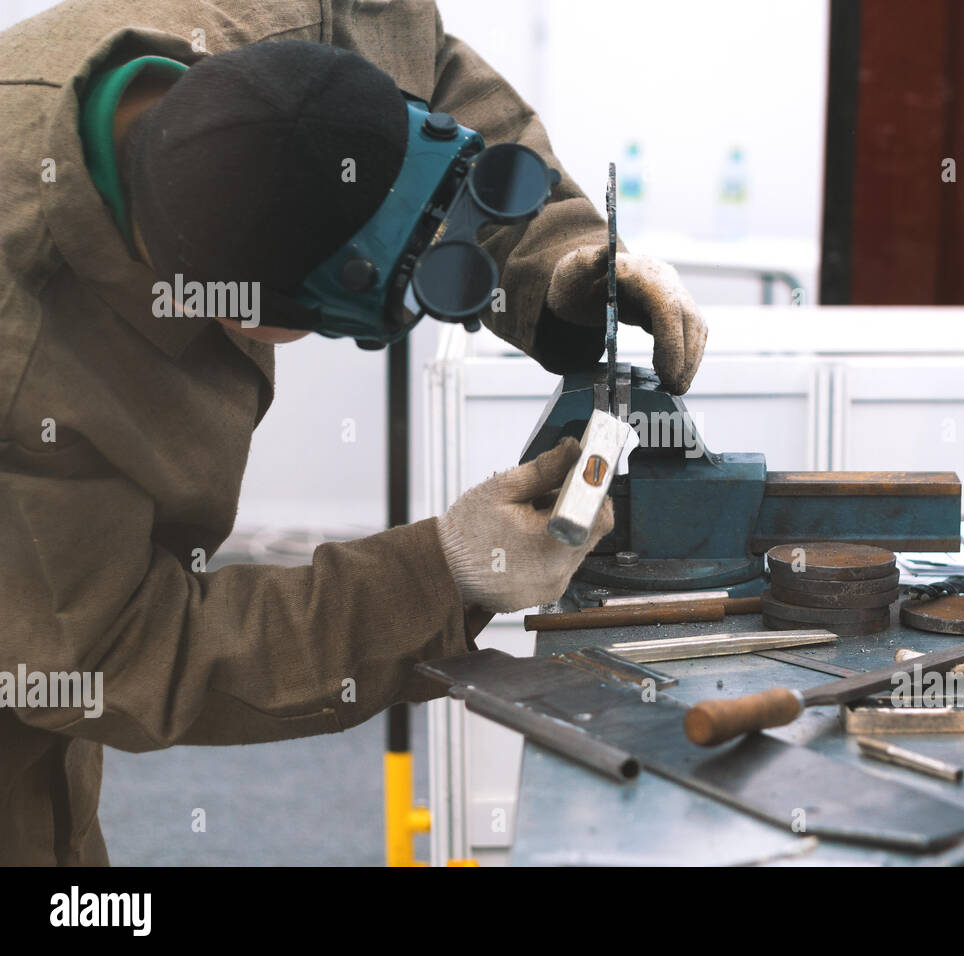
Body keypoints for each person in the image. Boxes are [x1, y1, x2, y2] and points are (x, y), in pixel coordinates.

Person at [0, 0, 706, 865]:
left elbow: (416, 62)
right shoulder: (30, 374)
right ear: (253, 317)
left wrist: (557, 261)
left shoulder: (257, 37)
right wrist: (440, 570)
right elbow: (121, 651)